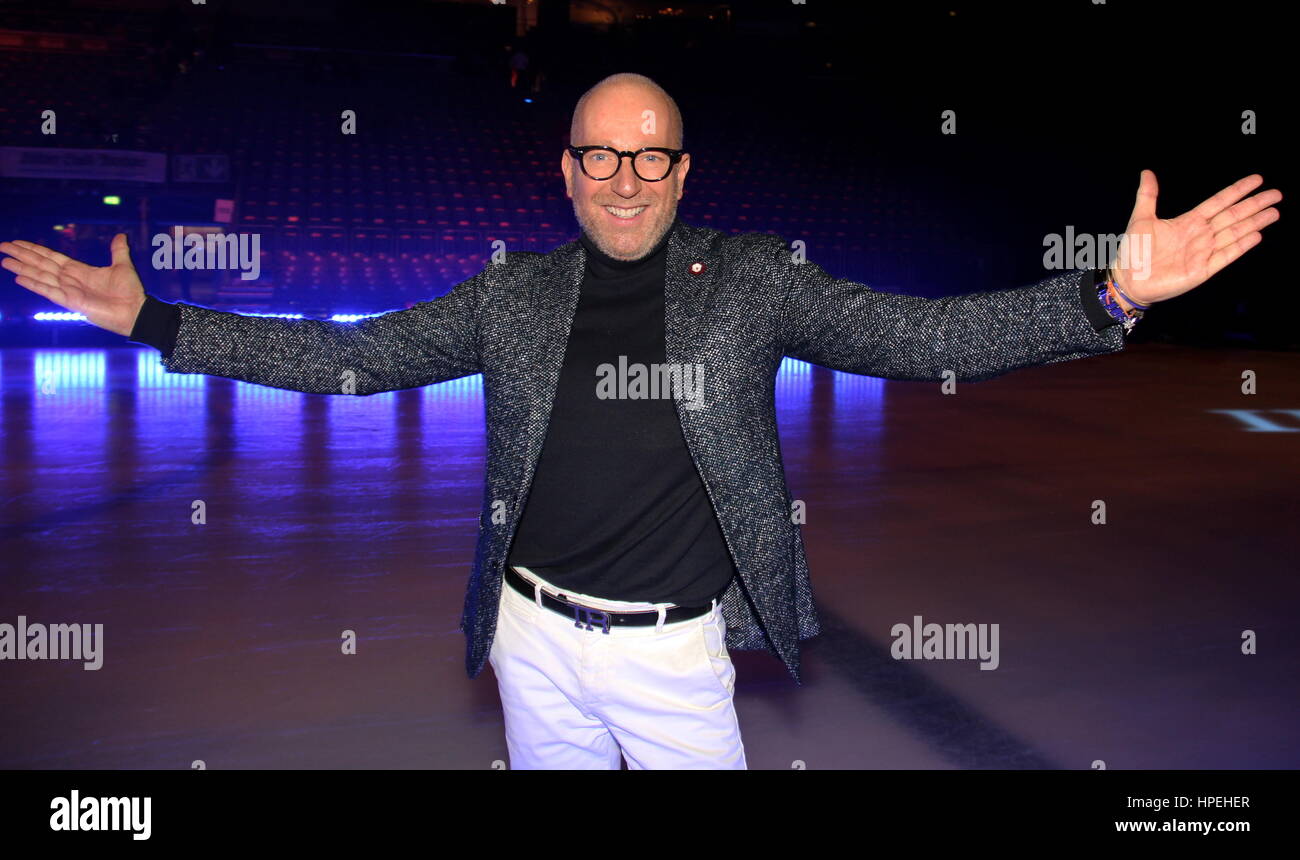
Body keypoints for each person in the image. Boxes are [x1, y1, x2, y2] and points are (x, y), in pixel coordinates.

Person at [0, 73, 1282, 770]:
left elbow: (920, 338)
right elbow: (361, 362)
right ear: (566, 169)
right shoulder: (513, 294)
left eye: (650, 154)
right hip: (527, 638)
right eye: (599, 155)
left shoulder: (755, 279)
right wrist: (154, 322)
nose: (624, 178)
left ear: (681, 169)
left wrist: (1108, 293)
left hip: (674, 663)